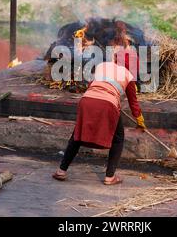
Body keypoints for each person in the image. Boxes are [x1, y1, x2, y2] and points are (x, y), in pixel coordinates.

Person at [52, 47, 146, 185]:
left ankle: (61, 171)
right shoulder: (128, 75)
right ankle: (110, 176)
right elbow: (133, 103)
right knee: (118, 139)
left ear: (115, 58)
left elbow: (92, 85)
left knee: (77, 135)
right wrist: (140, 120)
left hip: (87, 100)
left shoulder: (102, 66)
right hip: (108, 104)